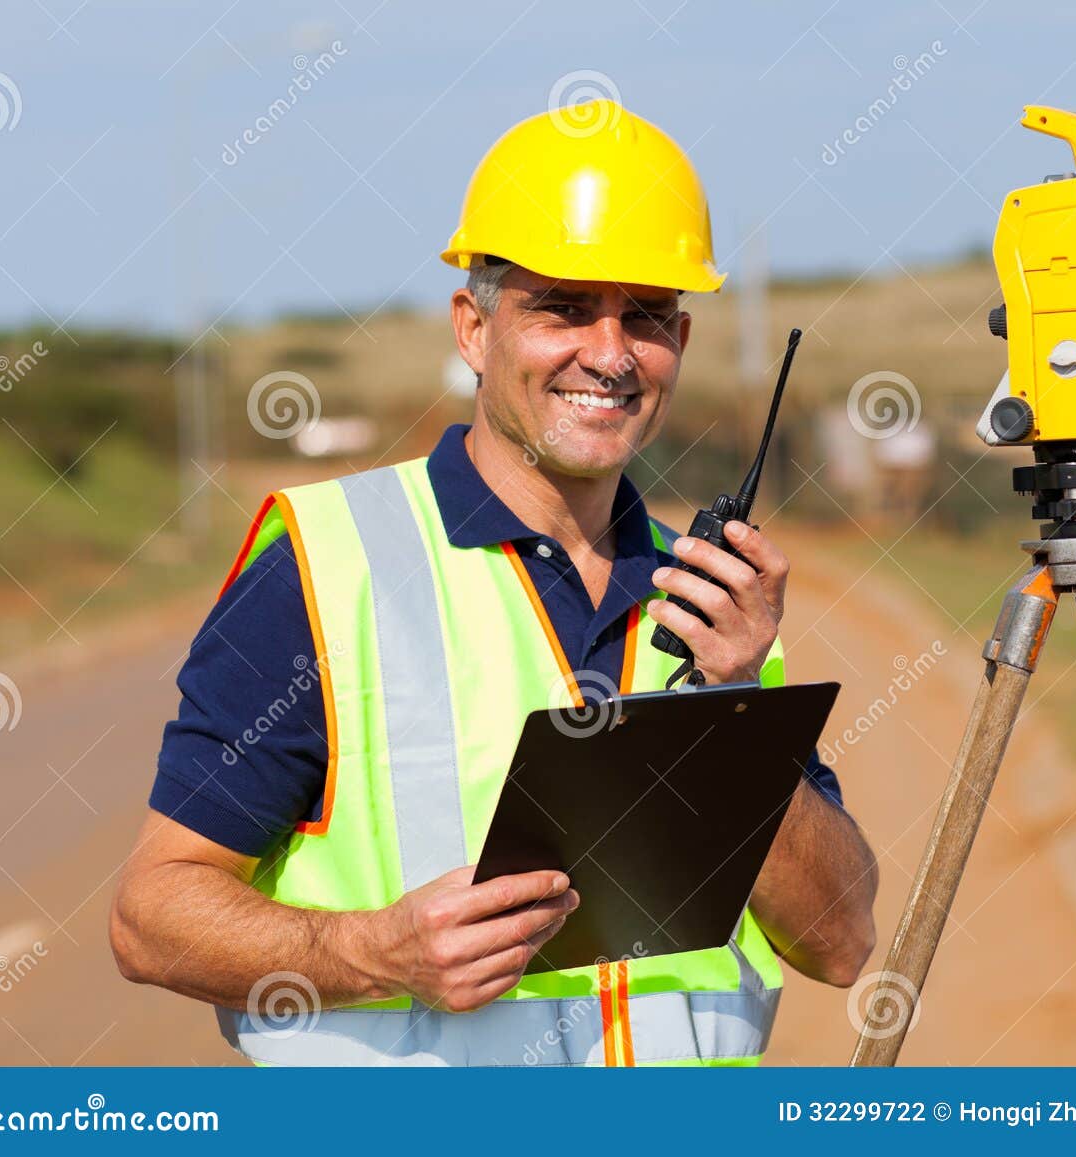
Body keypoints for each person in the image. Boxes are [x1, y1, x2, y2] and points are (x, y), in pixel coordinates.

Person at [109, 99, 878, 1067]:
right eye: (562, 306)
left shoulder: (706, 601)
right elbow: (150, 912)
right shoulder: (331, 565)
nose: (608, 353)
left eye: (644, 316)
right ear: (473, 328)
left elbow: (843, 939)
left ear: (678, 341)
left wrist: (734, 704)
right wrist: (366, 950)